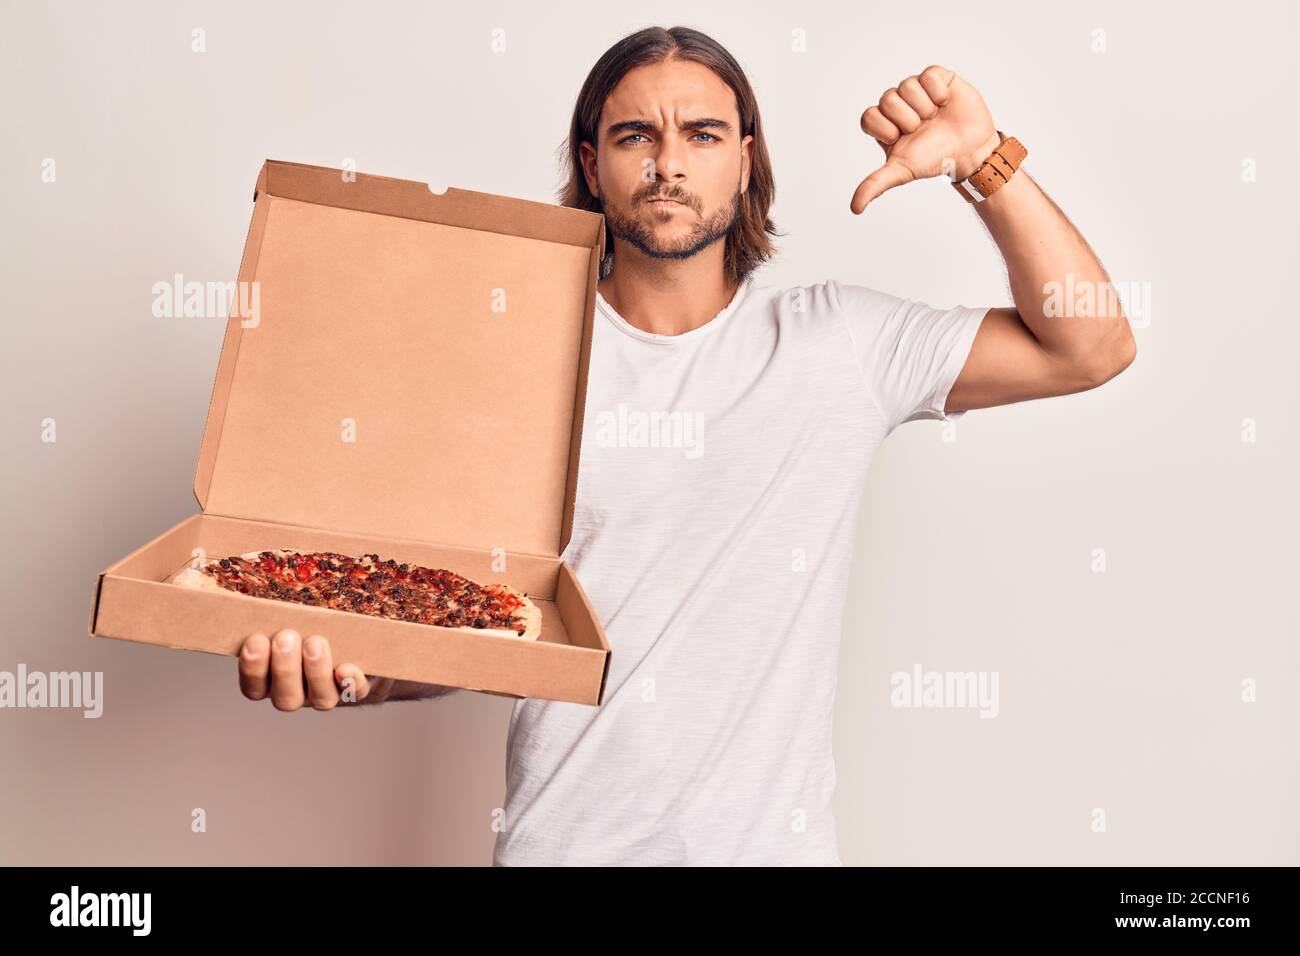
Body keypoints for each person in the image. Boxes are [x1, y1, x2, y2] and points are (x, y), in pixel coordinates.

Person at [235, 26, 1136, 866]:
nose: (668, 163)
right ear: (592, 165)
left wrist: (985, 161)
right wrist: (350, 676)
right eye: (635, 137)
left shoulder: (839, 347)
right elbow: (479, 627)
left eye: (702, 134)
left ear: (746, 163)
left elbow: (1090, 345)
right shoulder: (512, 365)